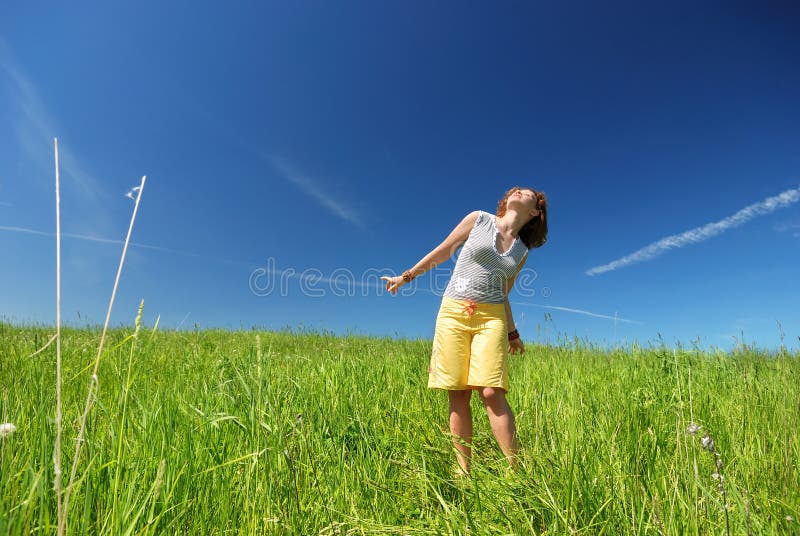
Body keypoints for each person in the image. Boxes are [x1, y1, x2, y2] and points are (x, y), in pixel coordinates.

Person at [382, 186, 548, 474]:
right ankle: (463, 471)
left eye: (527, 193)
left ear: (535, 211)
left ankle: (517, 471)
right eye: (516, 190)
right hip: (454, 313)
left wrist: (513, 333)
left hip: (491, 317)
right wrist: (406, 277)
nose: (519, 191)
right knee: (458, 393)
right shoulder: (478, 219)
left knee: (491, 392)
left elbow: (504, 293)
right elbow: (443, 251)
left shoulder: (522, 251)